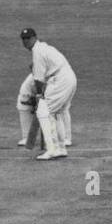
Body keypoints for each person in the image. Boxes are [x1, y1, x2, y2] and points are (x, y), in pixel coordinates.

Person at [19, 27, 77, 159]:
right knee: (57, 113)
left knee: (43, 113)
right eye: (23, 39)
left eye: (28, 38)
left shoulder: (37, 52)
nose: (26, 41)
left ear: (34, 38)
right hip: (68, 77)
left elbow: (38, 80)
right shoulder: (43, 48)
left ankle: (51, 149)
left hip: (59, 80)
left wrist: (40, 96)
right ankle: (61, 148)